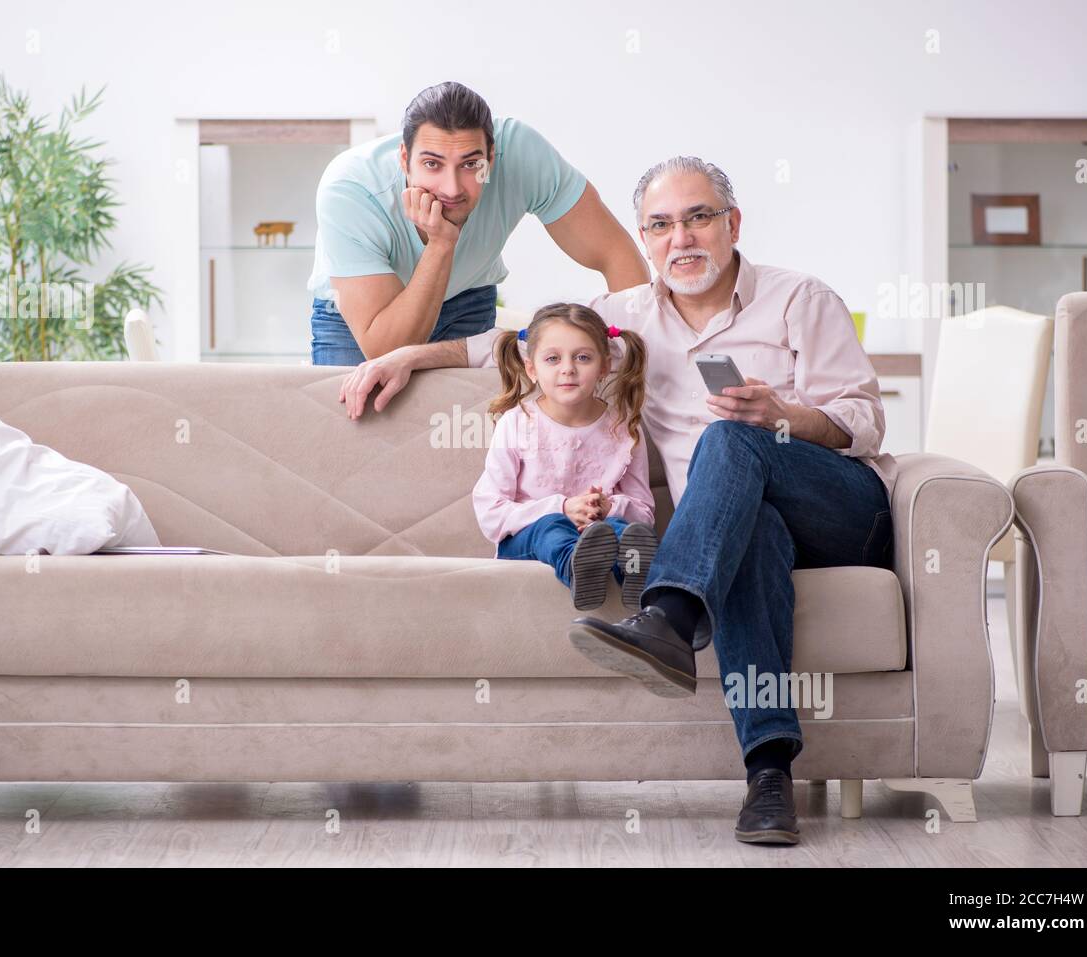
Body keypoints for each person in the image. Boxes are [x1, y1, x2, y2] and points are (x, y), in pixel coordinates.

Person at [335, 156, 898, 847]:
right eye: (660, 225)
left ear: (733, 224)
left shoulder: (799, 300)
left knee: (731, 436)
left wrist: (784, 416)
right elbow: (517, 342)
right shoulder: (625, 319)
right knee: (752, 530)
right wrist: (406, 356)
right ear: (644, 239)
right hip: (743, 525)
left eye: (698, 218)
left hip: (841, 508)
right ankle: (769, 778)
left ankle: (669, 616)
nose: (680, 239)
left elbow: (864, 421)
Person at [307, 81, 648, 365]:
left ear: (492, 157)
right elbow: (388, 353)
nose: (451, 188)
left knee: (468, 423)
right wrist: (442, 243)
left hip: (466, 300)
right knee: (360, 421)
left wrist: (632, 362)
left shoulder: (521, 155)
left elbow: (614, 253)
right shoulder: (351, 190)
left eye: (471, 165)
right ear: (405, 160)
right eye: (432, 164)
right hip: (364, 322)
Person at [472, 303, 656, 611]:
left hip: (597, 534)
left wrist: (609, 508)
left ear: (604, 366)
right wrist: (562, 508)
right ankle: (577, 568)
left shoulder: (625, 429)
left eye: (582, 357)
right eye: (553, 359)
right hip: (529, 539)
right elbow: (491, 512)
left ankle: (635, 573)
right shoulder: (516, 423)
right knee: (552, 526)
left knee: (619, 530)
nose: (568, 368)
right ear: (532, 368)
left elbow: (645, 513)